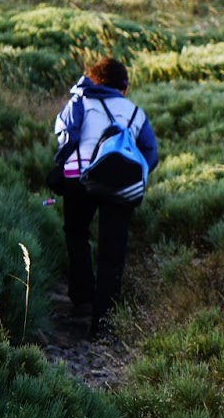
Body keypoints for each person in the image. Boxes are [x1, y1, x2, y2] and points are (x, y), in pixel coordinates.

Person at [52, 57, 159, 336]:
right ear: (124, 87)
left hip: (78, 180)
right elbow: (151, 153)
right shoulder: (134, 111)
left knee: (76, 233)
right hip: (120, 185)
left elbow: (66, 136)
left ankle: (82, 299)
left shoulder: (79, 101)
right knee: (113, 251)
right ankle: (104, 324)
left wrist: (59, 169)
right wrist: (138, 177)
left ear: (94, 80)